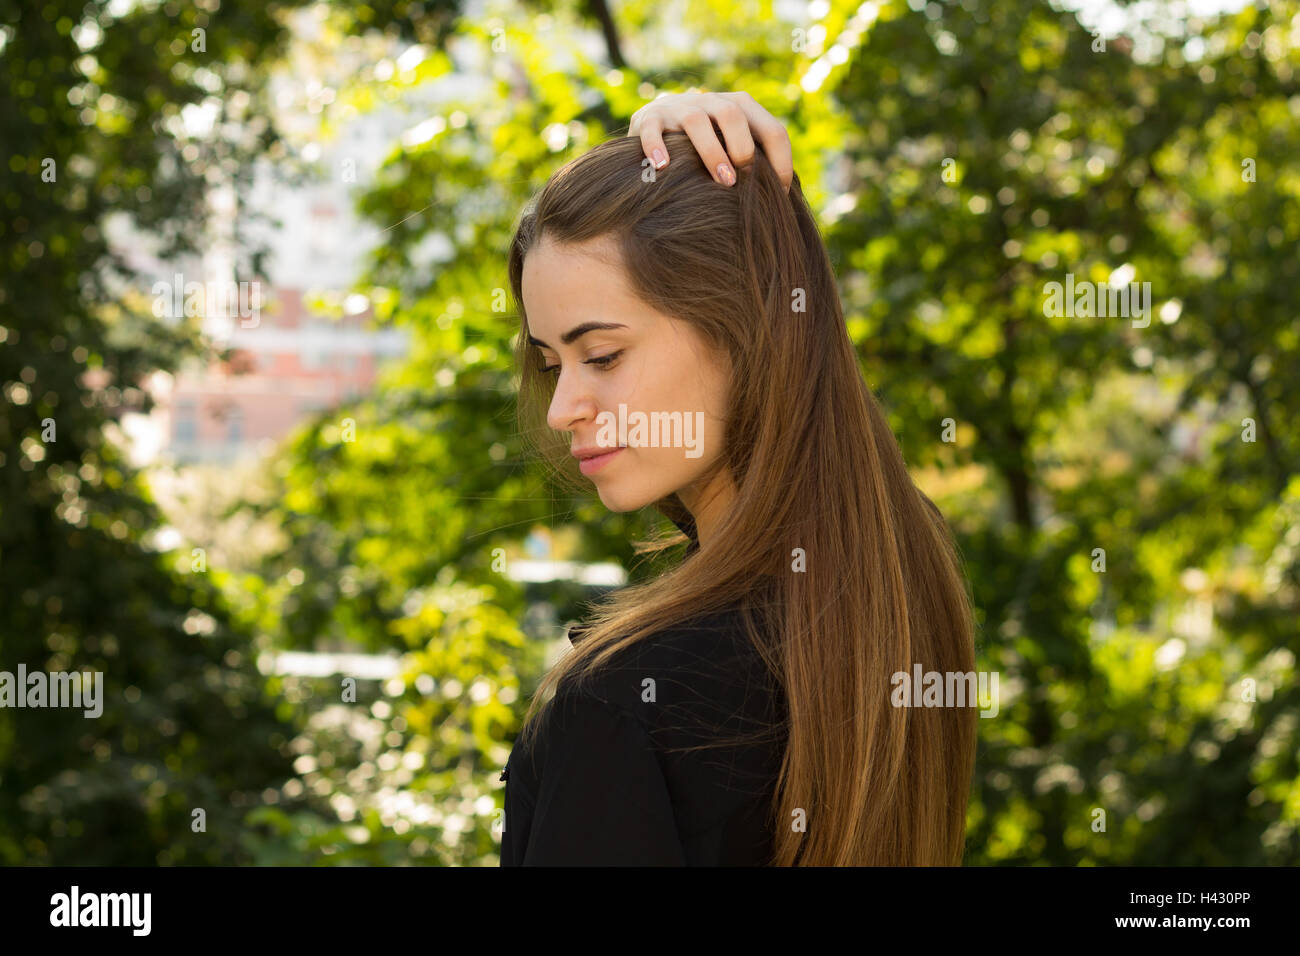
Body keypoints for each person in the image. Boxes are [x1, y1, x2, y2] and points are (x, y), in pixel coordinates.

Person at [499, 92, 977, 866]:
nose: (561, 408)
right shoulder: (894, 573)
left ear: (745, 329)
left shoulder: (624, 703)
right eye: (552, 363)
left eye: (603, 356)